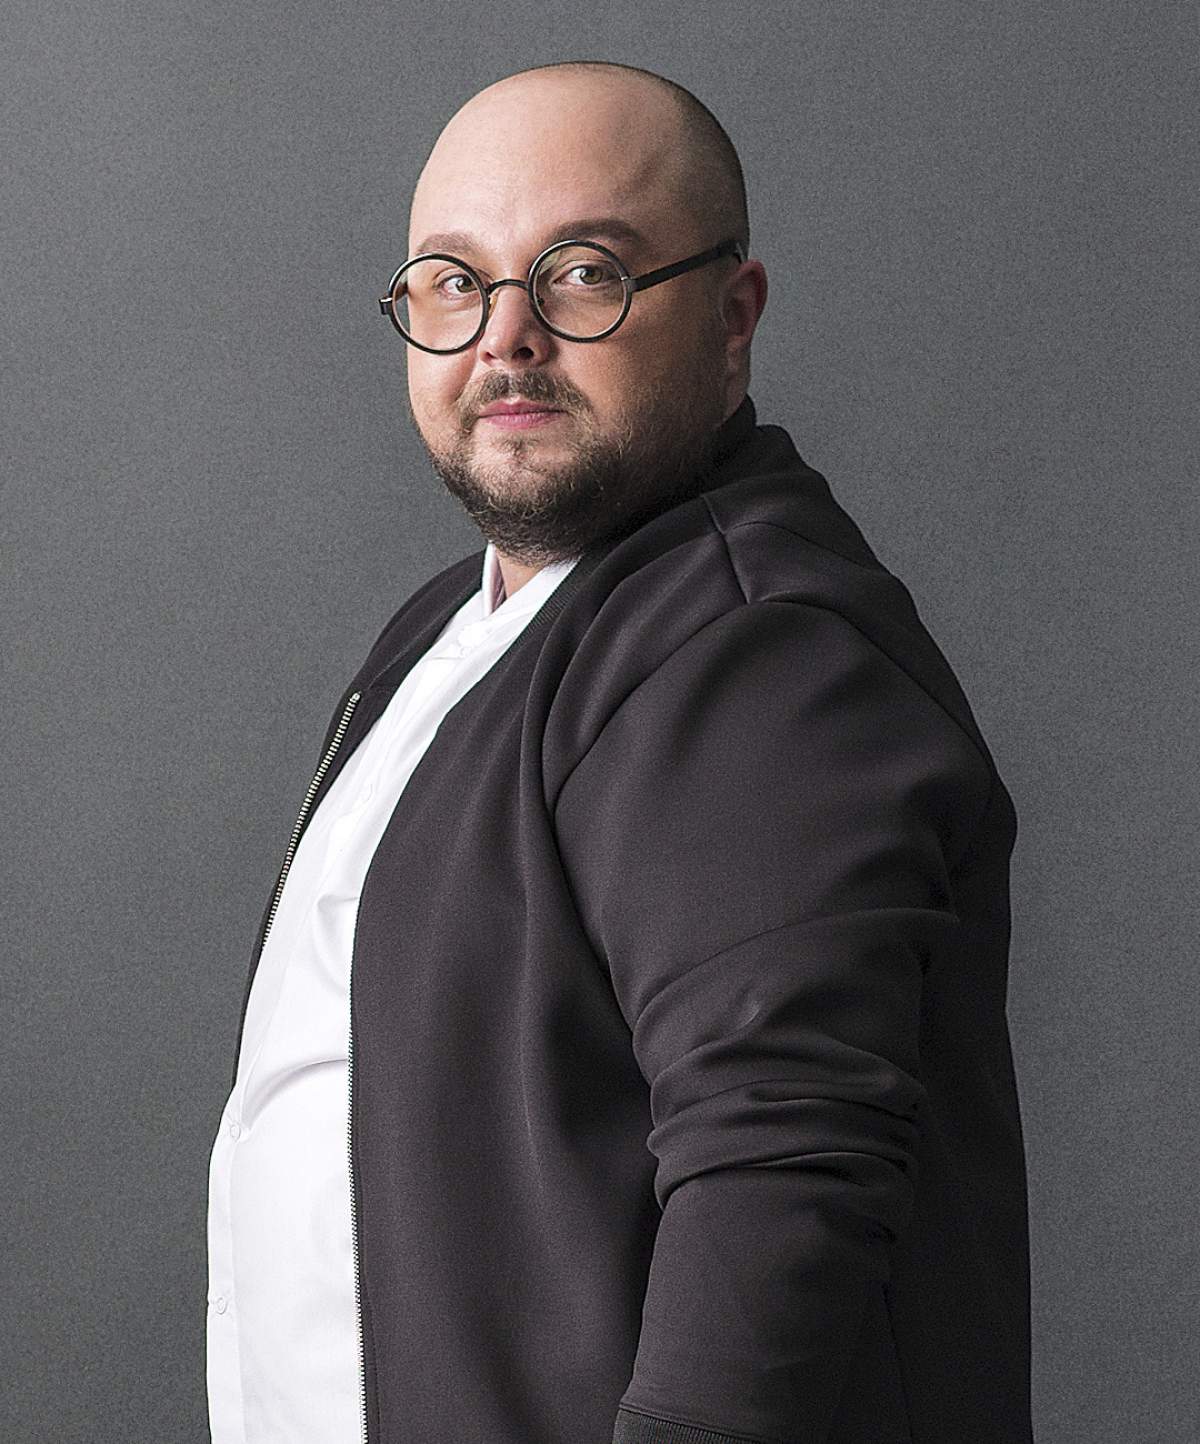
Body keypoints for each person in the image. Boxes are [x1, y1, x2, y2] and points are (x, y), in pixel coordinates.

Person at [205, 60, 1034, 1444]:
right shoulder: (454, 631)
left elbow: (780, 1175)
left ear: (732, 317)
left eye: (583, 274)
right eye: (454, 282)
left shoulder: (753, 653)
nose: (507, 337)